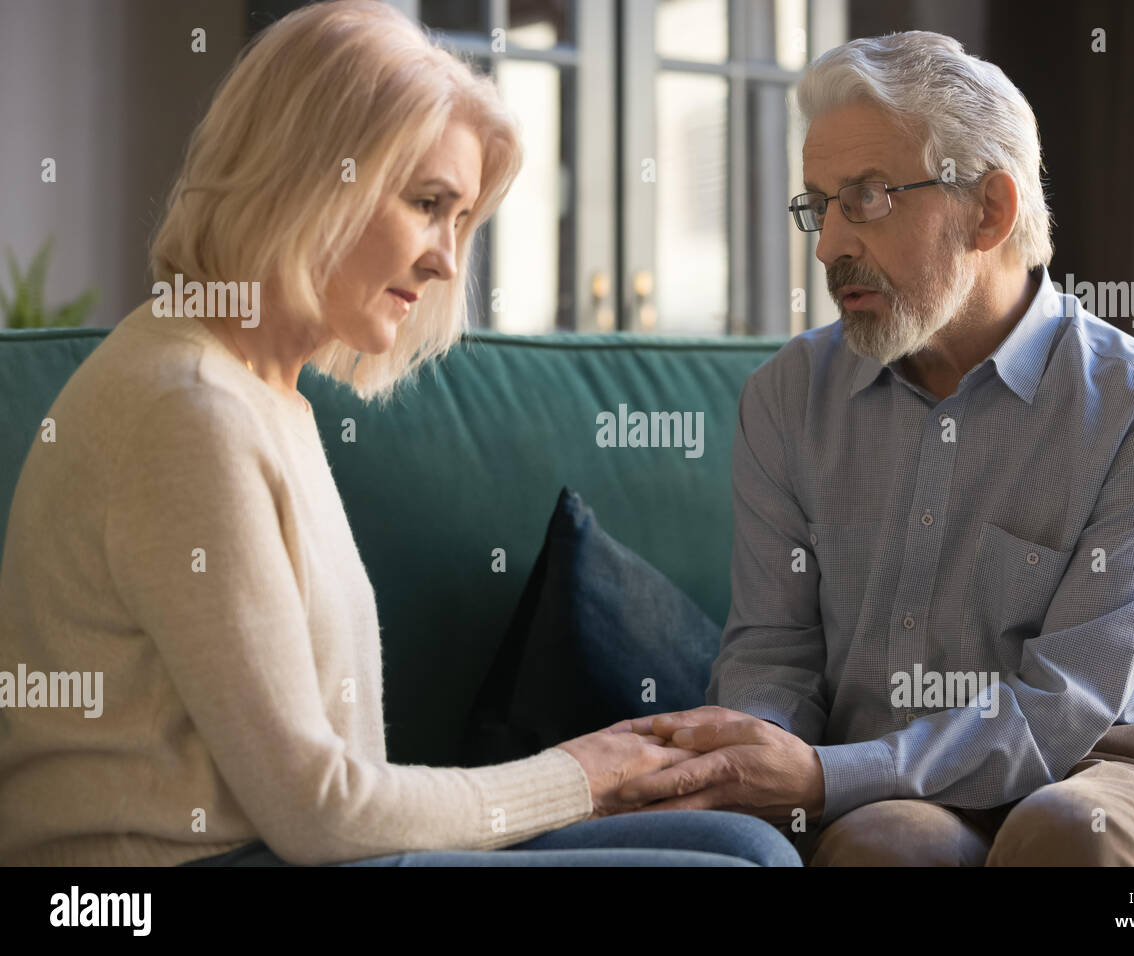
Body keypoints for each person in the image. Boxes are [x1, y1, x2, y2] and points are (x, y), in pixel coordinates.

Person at [0, 0, 798, 868]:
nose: (448, 260)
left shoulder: (267, 395)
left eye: (462, 220)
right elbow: (320, 811)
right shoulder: (188, 410)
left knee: (739, 843)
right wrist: (578, 773)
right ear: (301, 177)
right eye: (427, 204)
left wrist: (593, 775)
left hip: (294, 850)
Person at [609, 31, 1134, 867]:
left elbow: (1069, 704)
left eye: (867, 196)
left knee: (1066, 832)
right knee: (881, 847)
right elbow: (774, 650)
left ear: (990, 210)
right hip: (876, 775)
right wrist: (757, 751)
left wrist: (826, 777)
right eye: (819, 203)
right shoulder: (787, 398)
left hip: (1112, 766)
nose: (829, 243)